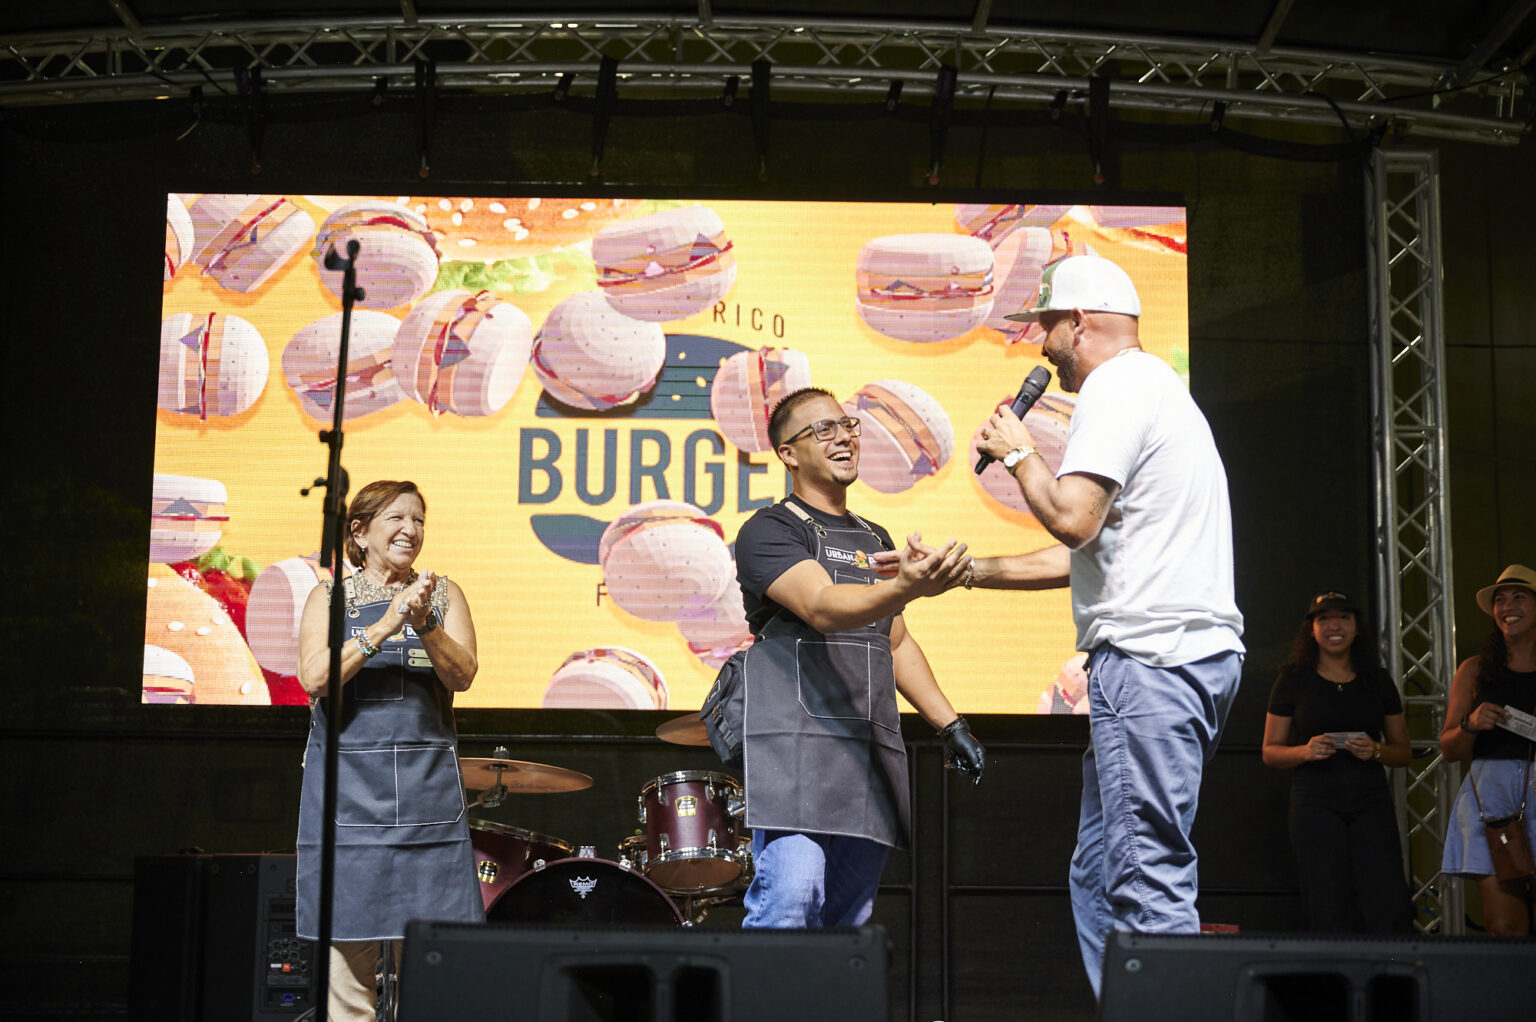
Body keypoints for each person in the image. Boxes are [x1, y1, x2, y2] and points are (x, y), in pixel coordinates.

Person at [968, 255, 1245, 998]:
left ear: (1079, 320)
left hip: (1151, 660)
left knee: (1145, 870)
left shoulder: (1115, 386)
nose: (1043, 346)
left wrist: (1018, 452)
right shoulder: (1158, 388)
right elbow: (1096, 551)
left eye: (1047, 327)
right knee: (1098, 870)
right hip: (1185, 657)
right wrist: (972, 570)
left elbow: (1072, 519)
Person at [733, 387, 986, 929]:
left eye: (848, 425)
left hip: (865, 756)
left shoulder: (875, 536)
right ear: (788, 453)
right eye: (823, 429)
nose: (844, 437)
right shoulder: (770, 529)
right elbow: (822, 606)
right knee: (792, 897)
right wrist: (906, 586)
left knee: (850, 918)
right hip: (794, 750)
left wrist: (951, 725)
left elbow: (895, 643)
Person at [294, 480, 482, 1021]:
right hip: (348, 808)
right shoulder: (329, 597)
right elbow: (315, 677)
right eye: (397, 518)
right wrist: (385, 624)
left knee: (433, 978)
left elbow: (463, 675)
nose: (410, 529)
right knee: (347, 986)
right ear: (359, 532)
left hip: (429, 809)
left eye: (418, 520)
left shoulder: (443, 594)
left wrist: (424, 623)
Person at [1262, 591, 1415, 933]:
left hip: (1371, 801)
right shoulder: (1293, 679)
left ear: (1357, 627)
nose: (1334, 626)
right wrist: (1305, 751)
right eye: (1324, 619)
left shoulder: (1377, 679)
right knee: (1326, 901)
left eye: (1344, 618)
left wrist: (1376, 750)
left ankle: (1388, 967)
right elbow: (1270, 751)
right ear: (1312, 629)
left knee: (1387, 901)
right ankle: (1330, 967)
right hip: (1315, 801)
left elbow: (1403, 752)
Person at [1440, 563, 1536, 936]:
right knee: (1505, 926)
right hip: (1491, 800)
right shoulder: (1474, 670)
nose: (1507, 606)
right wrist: (1471, 723)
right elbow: (1449, 749)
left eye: (1518, 597)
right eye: (1500, 599)